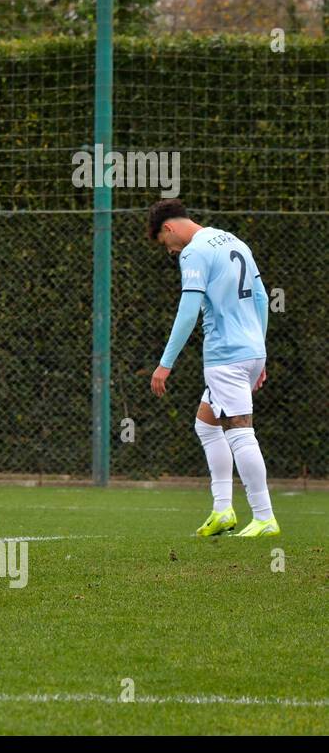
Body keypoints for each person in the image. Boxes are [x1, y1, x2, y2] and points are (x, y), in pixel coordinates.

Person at [148, 199, 277, 537]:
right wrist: (259, 352)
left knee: (239, 430)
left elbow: (188, 311)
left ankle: (264, 517)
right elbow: (262, 298)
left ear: (169, 228)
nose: (171, 251)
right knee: (206, 424)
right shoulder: (233, 240)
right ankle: (223, 509)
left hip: (225, 355)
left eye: (166, 244)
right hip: (249, 351)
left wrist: (165, 364)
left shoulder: (194, 251)